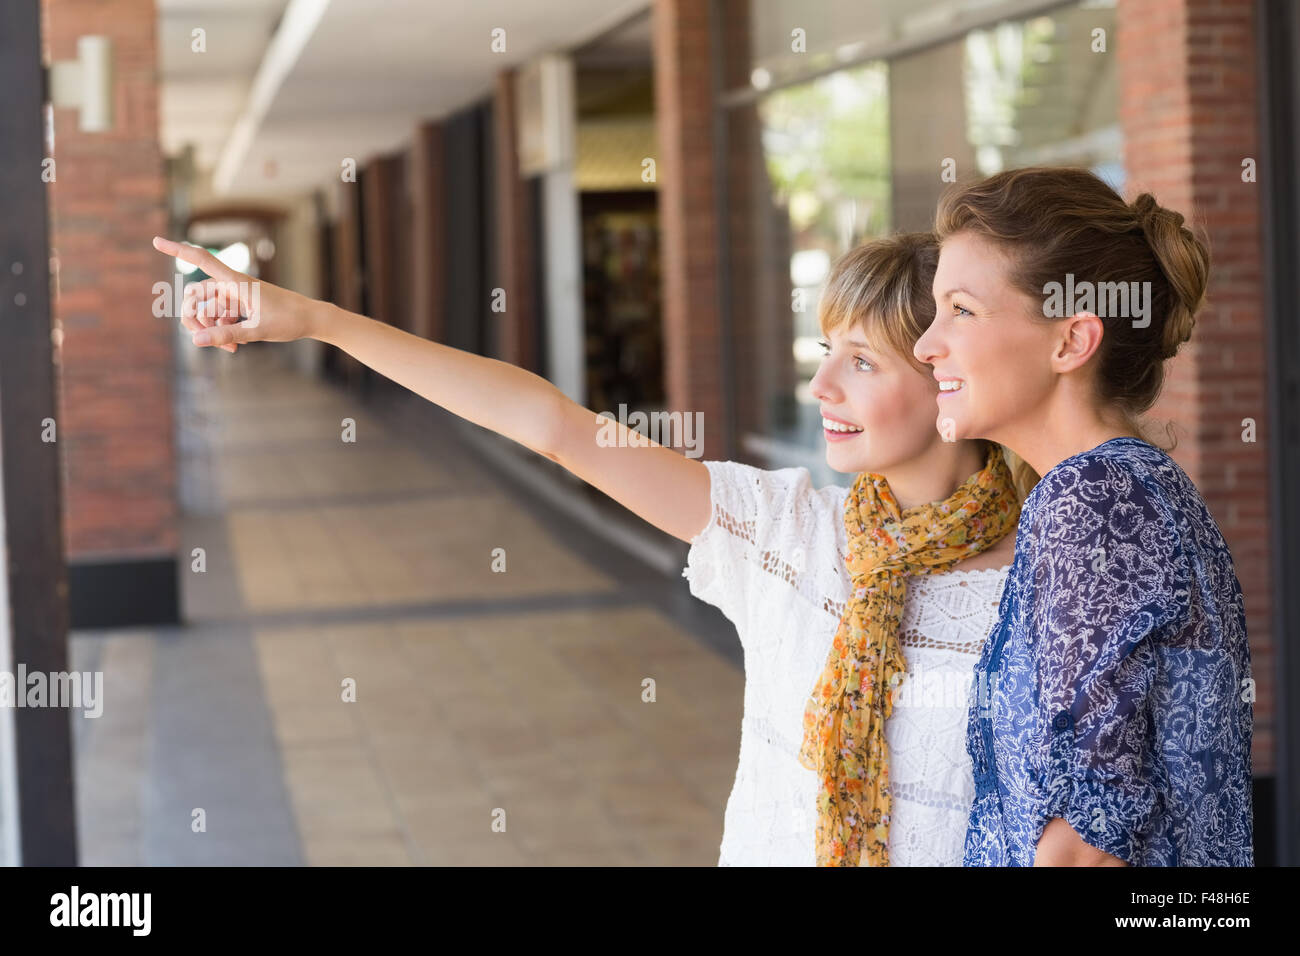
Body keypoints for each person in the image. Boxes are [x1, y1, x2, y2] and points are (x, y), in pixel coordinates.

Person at [152, 231, 1019, 866]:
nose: (823, 385)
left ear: (946, 375)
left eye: (862, 362)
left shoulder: (1044, 579)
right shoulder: (786, 529)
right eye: (827, 351)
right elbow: (554, 427)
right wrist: (317, 320)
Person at [912, 166, 1254, 866]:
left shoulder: (1095, 499)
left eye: (962, 311)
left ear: (1071, 341)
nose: (926, 344)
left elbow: (1086, 841)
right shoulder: (1119, 487)